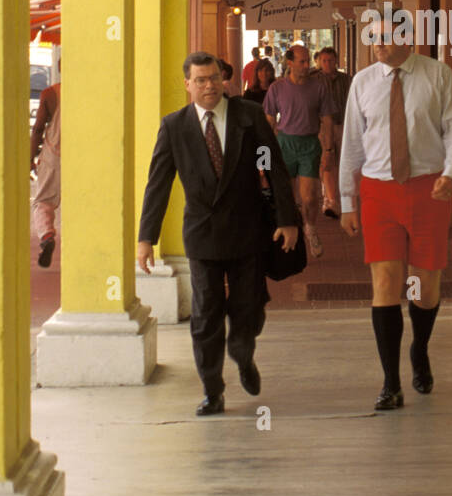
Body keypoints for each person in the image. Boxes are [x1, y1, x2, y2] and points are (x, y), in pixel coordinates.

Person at [137, 52, 299, 417]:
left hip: (248, 231)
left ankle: (243, 355)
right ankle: (213, 390)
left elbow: (271, 167)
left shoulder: (248, 117)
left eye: (214, 79)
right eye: (200, 80)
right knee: (206, 314)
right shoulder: (175, 127)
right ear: (188, 84)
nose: (209, 86)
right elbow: (158, 184)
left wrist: (286, 219)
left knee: (248, 308)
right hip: (202, 235)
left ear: (223, 79)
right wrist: (146, 238)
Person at [339, 10, 452, 411]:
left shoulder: (437, 75)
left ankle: (420, 347)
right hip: (379, 193)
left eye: (385, 36)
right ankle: (390, 382)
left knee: (424, 286)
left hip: (428, 190)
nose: (377, 43)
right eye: (373, 37)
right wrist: (347, 201)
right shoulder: (362, 83)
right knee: (385, 283)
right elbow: (352, 144)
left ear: (408, 39)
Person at [263, 46, 335, 259]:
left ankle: (310, 227)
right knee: (286, 196)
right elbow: (268, 123)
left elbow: (328, 120)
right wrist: (264, 156)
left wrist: (328, 150)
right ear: (290, 63)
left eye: (307, 61)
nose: (307, 66)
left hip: (309, 145)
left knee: (310, 196)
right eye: (302, 62)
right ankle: (289, 233)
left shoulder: (319, 87)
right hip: (284, 144)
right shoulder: (277, 88)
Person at [308, 46, 352, 218]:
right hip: (322, 127)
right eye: (324, 60)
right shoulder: (314, 80)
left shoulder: (346, 79)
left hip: (342, 125)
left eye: (330, 60)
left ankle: (337, 198)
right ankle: (330, 200)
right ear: (319, 61)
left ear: (336, 61)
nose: (327, 64)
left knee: (342, 162)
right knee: (326, 161)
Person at [31, 71, 61, 267]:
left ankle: (47, 235)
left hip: (53, 156)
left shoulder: (50, 93)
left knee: (43, 202)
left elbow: (39, 129)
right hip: (84, 155)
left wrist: (30, 157)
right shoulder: (91, 92)